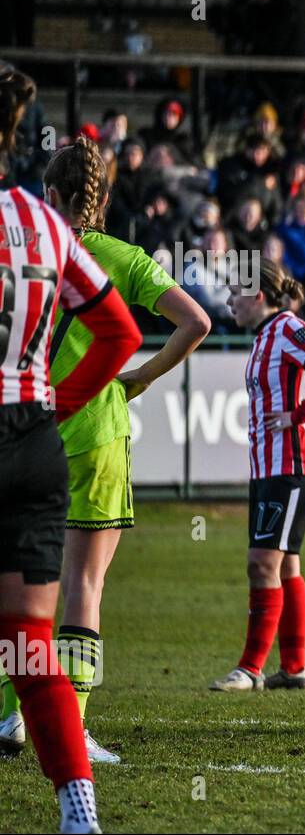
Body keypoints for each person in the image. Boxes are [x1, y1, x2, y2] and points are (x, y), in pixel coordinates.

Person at [0, 136, 209, 766]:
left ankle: (13, 714)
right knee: (83, 586)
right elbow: (195, 322)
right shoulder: (124, 258)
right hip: (95, 436)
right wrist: (138, 378)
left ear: (50, 196)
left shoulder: (23, 252)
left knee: (18, 589)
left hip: (26, 432)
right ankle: (71, 723)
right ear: (106, 198)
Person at [0, 66, 142, 833]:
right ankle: (78, 813)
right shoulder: (44, 226)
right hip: (31, 438)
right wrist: (58, 402)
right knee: (27, 634)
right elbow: (120, 330)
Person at [210, 259, 305, 693]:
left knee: (261, 563)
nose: (230, 301)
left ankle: (250, 669)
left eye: (235, 293)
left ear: (257, 296)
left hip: (292, 466)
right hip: (269, 467)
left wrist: (299, 415)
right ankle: (293, 669)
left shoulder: (287, 328)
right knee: (286, 565)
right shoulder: (261, 338)